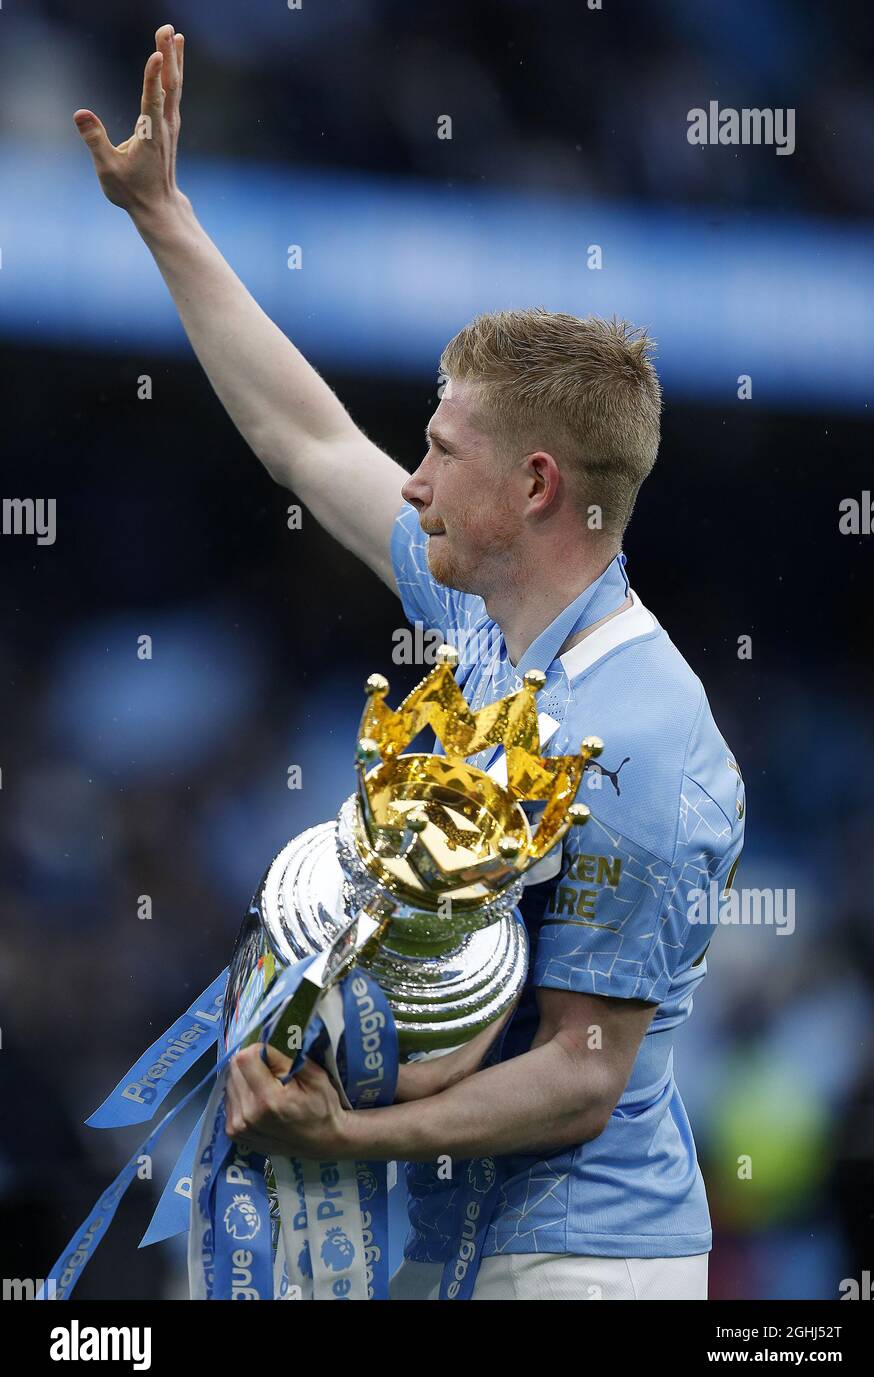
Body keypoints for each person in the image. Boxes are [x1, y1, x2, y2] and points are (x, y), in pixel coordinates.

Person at [74, 24, 745, 1301]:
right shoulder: (483, 620)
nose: (414, 478)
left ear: (537, 486)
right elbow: (305, 438)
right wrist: (162, 216)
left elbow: (583, 1074)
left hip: (586, 1263)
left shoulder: (644, 738)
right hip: (455, 1238)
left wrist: (346, 1139)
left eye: (440, 450)